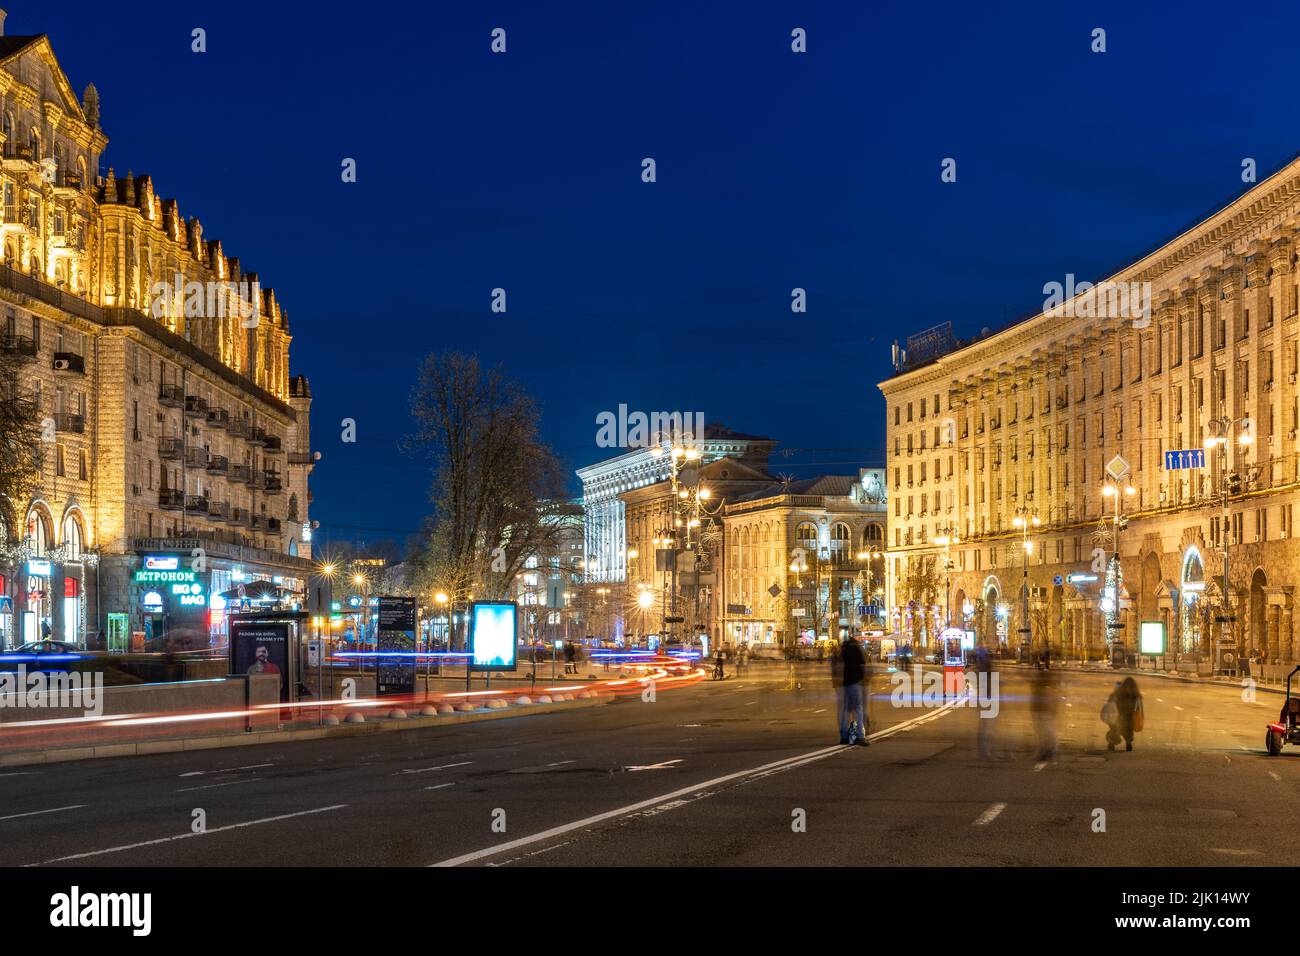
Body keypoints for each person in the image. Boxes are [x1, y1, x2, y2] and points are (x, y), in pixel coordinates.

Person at [840, 634, 870, 746]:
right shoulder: (857, 647)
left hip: (846, 680)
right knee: (858, 708)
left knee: (846, 710)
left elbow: (841, 661)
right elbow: (863, 662)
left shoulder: (845, 647)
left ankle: (843, 736)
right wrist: (863, 678)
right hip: (855, 681)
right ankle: (860, 736)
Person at [1103, 676, 1143, 752]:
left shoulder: (1117, 694)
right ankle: (1128, 744)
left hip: (1117, 716)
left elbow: (1110, 702)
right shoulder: (1136, 696)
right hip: (1129, 718)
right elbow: (1138, 708)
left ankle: (1111, 744)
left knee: (1114, 730)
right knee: (1128, 731)